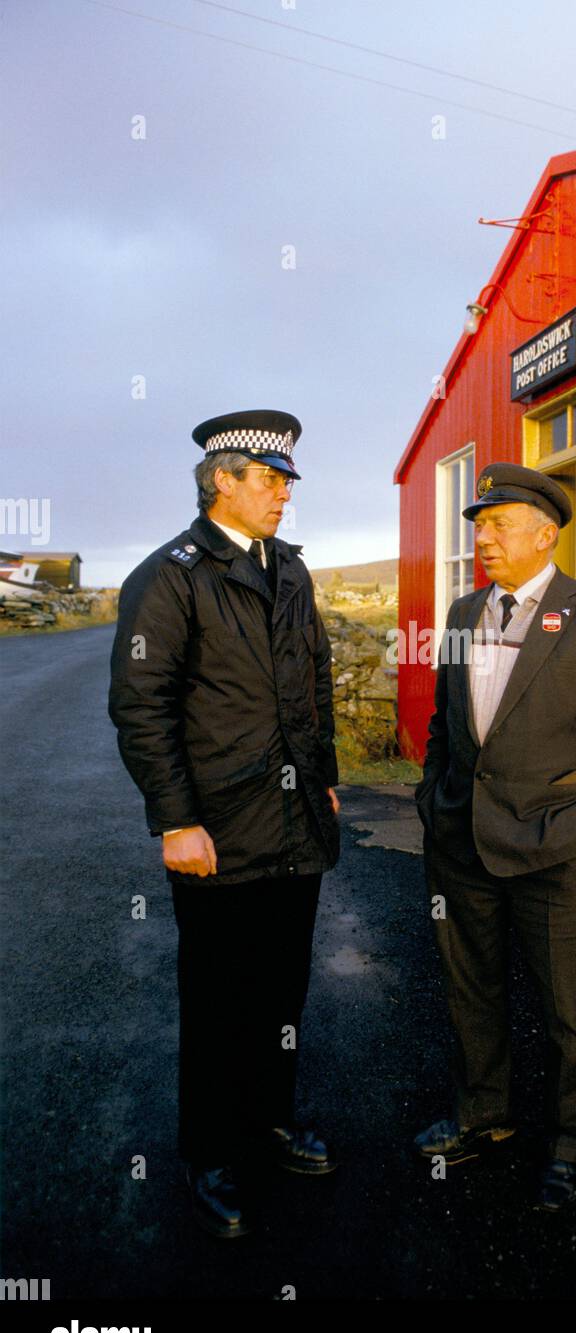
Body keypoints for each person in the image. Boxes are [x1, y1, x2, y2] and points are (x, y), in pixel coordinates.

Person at [108, 409, 341, 1238]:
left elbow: (314, 677)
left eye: (286, 482)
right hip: (218, 828)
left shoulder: (291, 571)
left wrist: (328, 780)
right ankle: (210, 1152)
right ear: (221, 482)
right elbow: (142, 706)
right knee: (218, 1000)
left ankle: (271, 1122)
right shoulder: (169, 577)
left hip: (296, 822)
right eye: (269, 480)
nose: (283, 495)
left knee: (281, 990)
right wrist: (174, 821)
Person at [413, 463, 576, 1211]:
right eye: (478, 525)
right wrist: (433, 801)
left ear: (546, 534)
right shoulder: (461, 615)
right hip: (462, 844)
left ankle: (574, 1140)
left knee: (569, 1009)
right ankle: (483, 1115)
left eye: (497, 524)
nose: (482, 538)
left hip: (558, 847)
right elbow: (443, 723)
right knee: (470, 992)